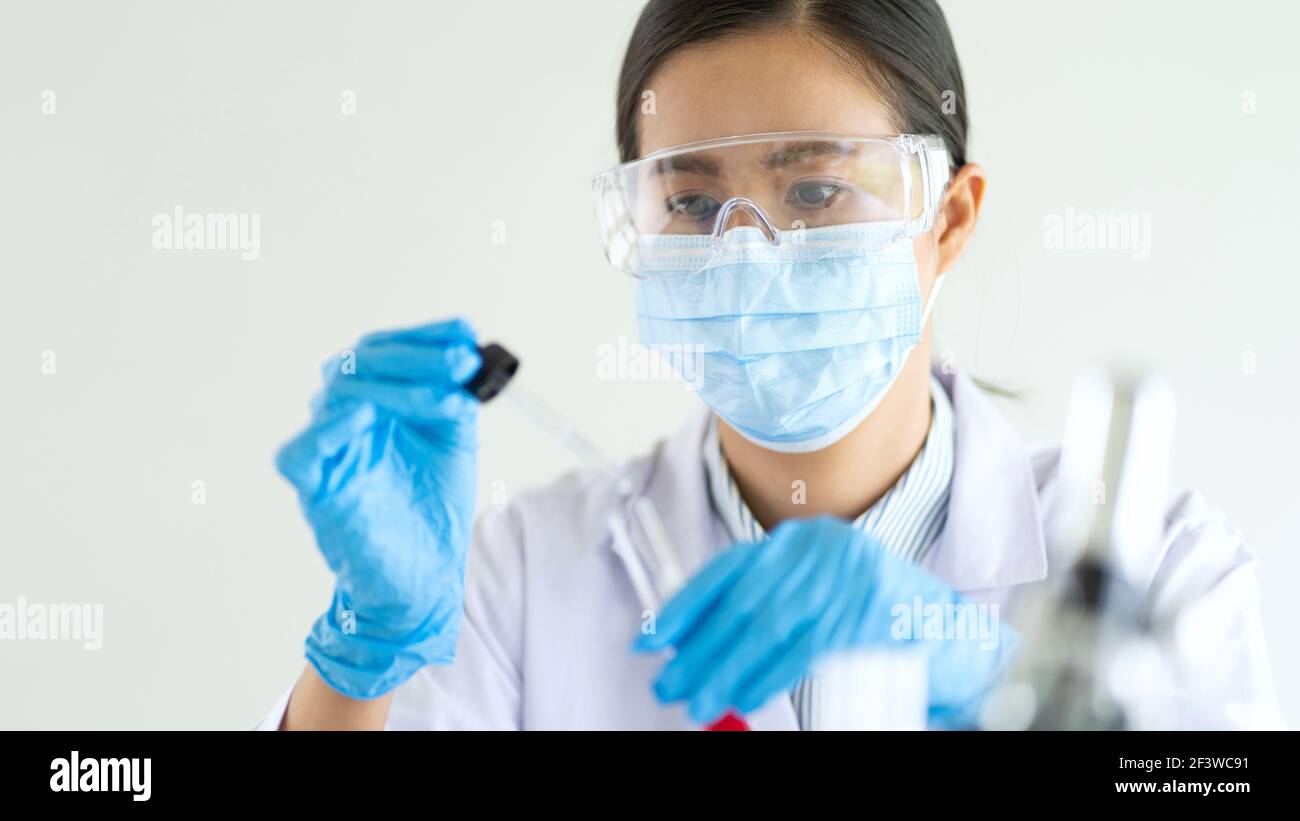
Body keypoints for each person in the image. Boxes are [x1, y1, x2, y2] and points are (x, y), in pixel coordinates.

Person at [259, 0, 1281, 730]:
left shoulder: (1161, 567)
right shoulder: (526, 574)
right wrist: (370, 642)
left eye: (816, 193)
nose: (745, 249)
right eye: (694, 204)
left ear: (951, 217)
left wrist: (1003, 686)